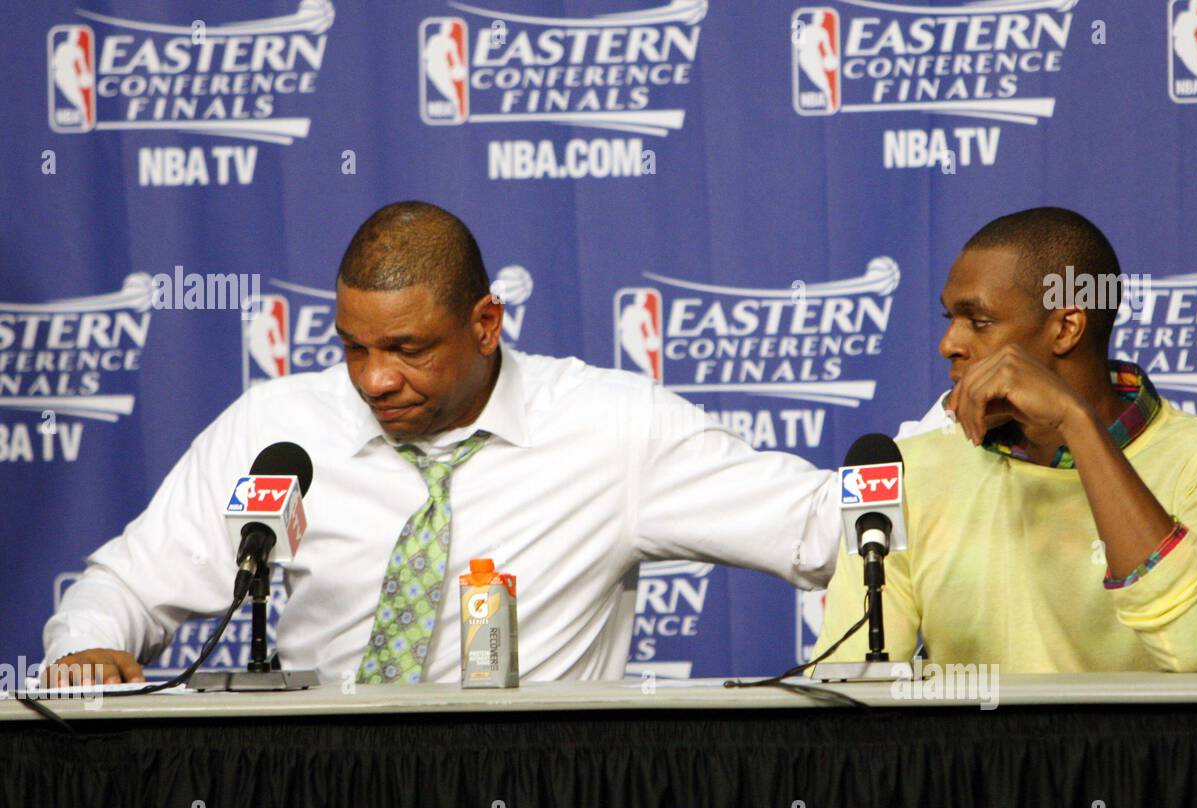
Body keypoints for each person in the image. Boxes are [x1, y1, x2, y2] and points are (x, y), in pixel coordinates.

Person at [43, 202, 842, 686]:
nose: (374, 379)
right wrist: (90, 646)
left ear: (486, 324)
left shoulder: (614, 429)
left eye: (408, 349)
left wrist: (952, 431)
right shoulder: (279, 428)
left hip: (528, 796)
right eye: (354, 347)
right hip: (312, 792)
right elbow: (127, 585)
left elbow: (816, 527)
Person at [815, 207, 1197, 672]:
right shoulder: (906, 472)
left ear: (1066, 329)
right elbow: (851, 688)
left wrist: (1075, 423)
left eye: (977, 321)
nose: (948, 344)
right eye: (949, 318)